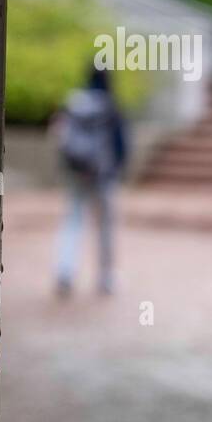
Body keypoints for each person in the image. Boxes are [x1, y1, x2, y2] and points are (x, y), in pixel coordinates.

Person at [52, 66, 128, 296]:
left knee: (73, 220)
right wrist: (116, 168)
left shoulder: (74, 103)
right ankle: (106, 278)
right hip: (103, 176)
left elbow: (61, 137)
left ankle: (65, 271)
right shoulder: (111, 106)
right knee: (105, 227)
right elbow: (121, 145)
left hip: (76, 173)